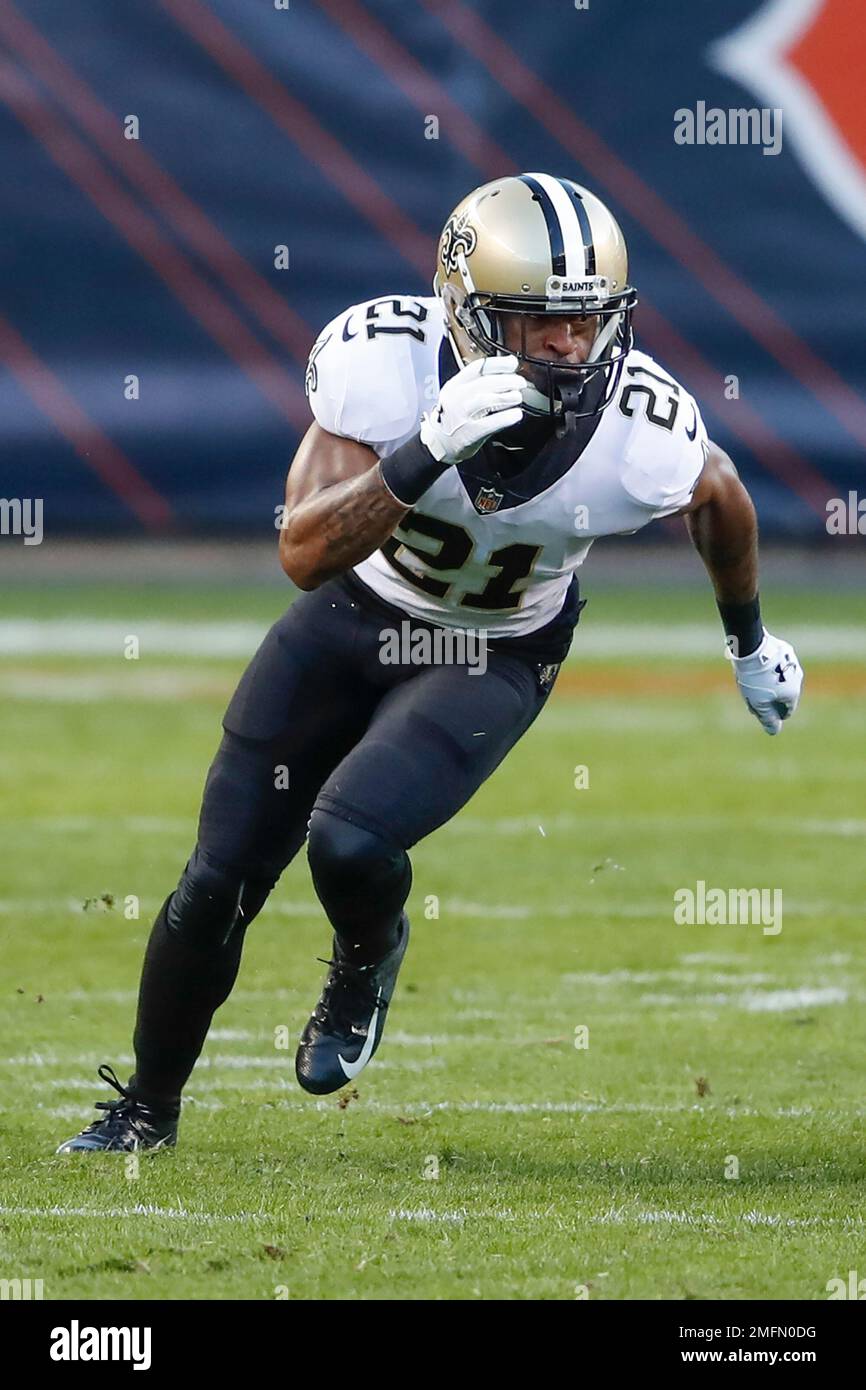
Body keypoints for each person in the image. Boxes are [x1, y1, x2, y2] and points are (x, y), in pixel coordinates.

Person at [58, 173, 803, 1152]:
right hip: (348, 614)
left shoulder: (636, 431)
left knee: (352, 840)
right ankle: (146, 1109)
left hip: (495, 646)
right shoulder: (386, 364)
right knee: (217, 878)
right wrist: (424, 448)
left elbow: (719, 498)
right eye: (538, 321)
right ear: (464, 310)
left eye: (586, 322)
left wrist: (746, 641)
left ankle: (365, 955)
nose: (569, 348)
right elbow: (301, 554)